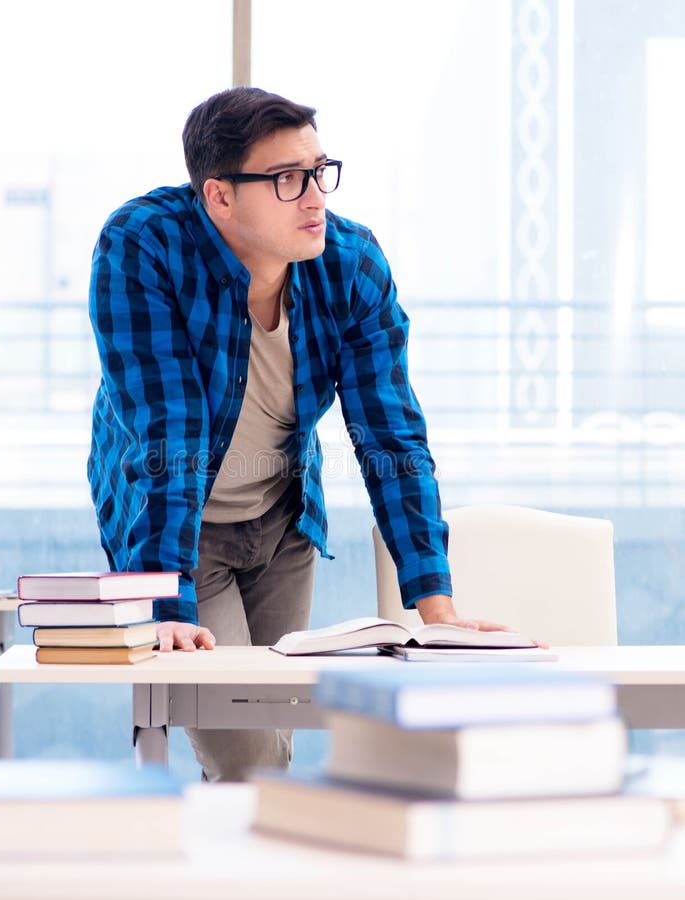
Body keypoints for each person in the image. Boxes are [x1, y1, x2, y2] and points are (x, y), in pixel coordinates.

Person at [87, 86, 505, 781]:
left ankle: (247, 842)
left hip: (283, 523)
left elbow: (391, 435)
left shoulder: (350, 262)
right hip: (178, 526)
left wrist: (437, 608)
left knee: (272, 741)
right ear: (219, 196)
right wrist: (164, 601)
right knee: (243, 754)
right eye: (287, 179)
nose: (314, 198)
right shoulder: (142, 246)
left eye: (318, 172)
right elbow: (168, 431)